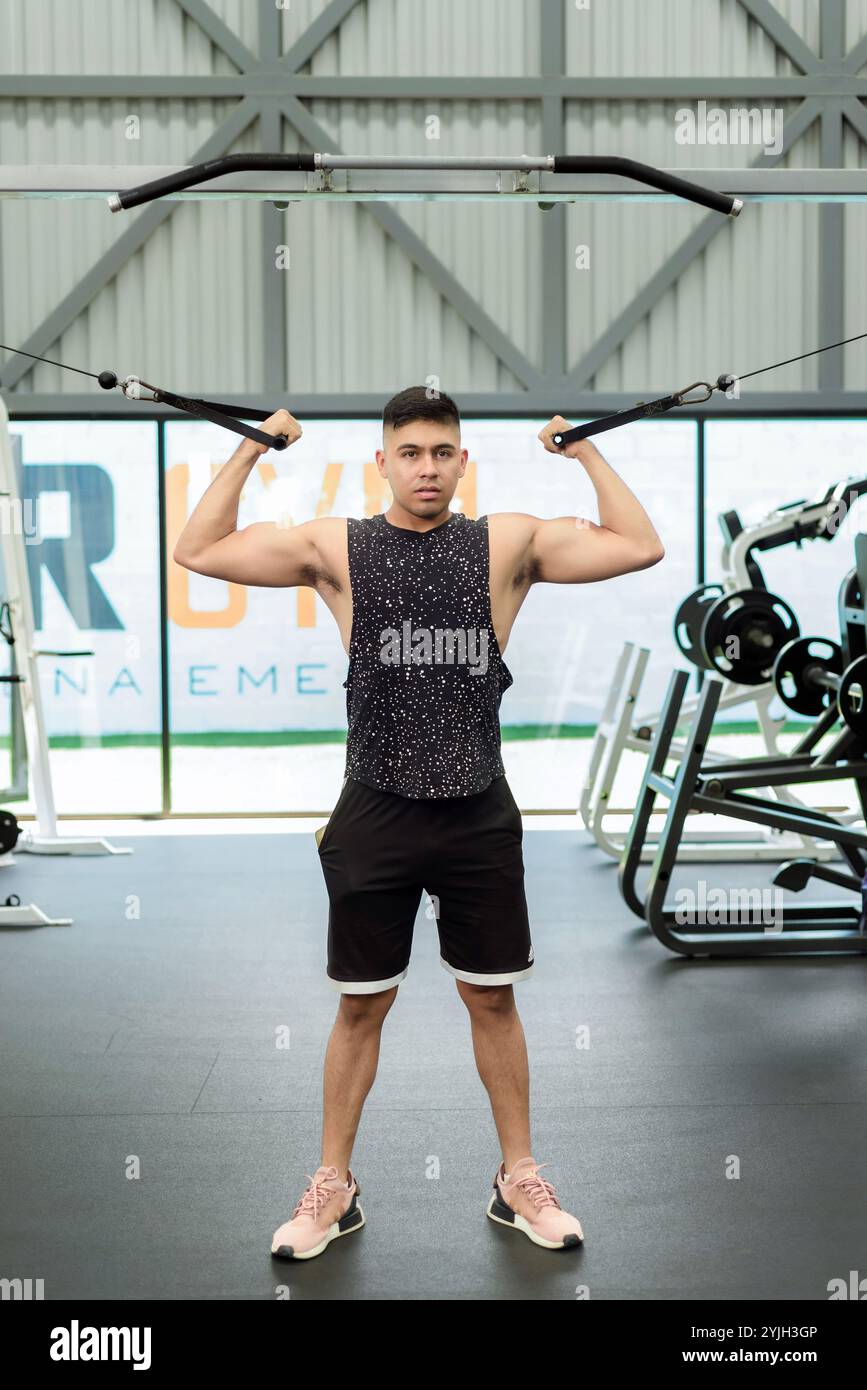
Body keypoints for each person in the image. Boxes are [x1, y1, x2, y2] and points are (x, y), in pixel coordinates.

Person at [173, 386, 664, 1260]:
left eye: (442, 452)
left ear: (462, 461)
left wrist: (582, 450)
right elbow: (198, 549)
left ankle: (519, 1178)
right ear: (383, 462)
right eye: (410, 453)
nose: (426, 468)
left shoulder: (505, 541)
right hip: (375, 808)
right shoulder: (338, 545)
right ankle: (333, 1185)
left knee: (490, 996)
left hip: (477, 807)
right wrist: (252, 447)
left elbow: (639, 545)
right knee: (361, 1009)